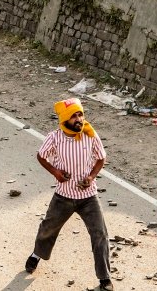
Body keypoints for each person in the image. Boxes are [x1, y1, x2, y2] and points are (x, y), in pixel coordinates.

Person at [24, 98, 113, 290]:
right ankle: (36, 255)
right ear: (65, 119)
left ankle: (105, 278)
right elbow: (41, 155)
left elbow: (101, 158)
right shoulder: (54, 137)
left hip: (89, 197)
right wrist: (56, 172)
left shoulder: (89, 134)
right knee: (48, 228)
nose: (79, 119)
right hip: (63, 196)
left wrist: (91, 176)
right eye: (74, 115)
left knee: (100, 234)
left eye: (80, 114)